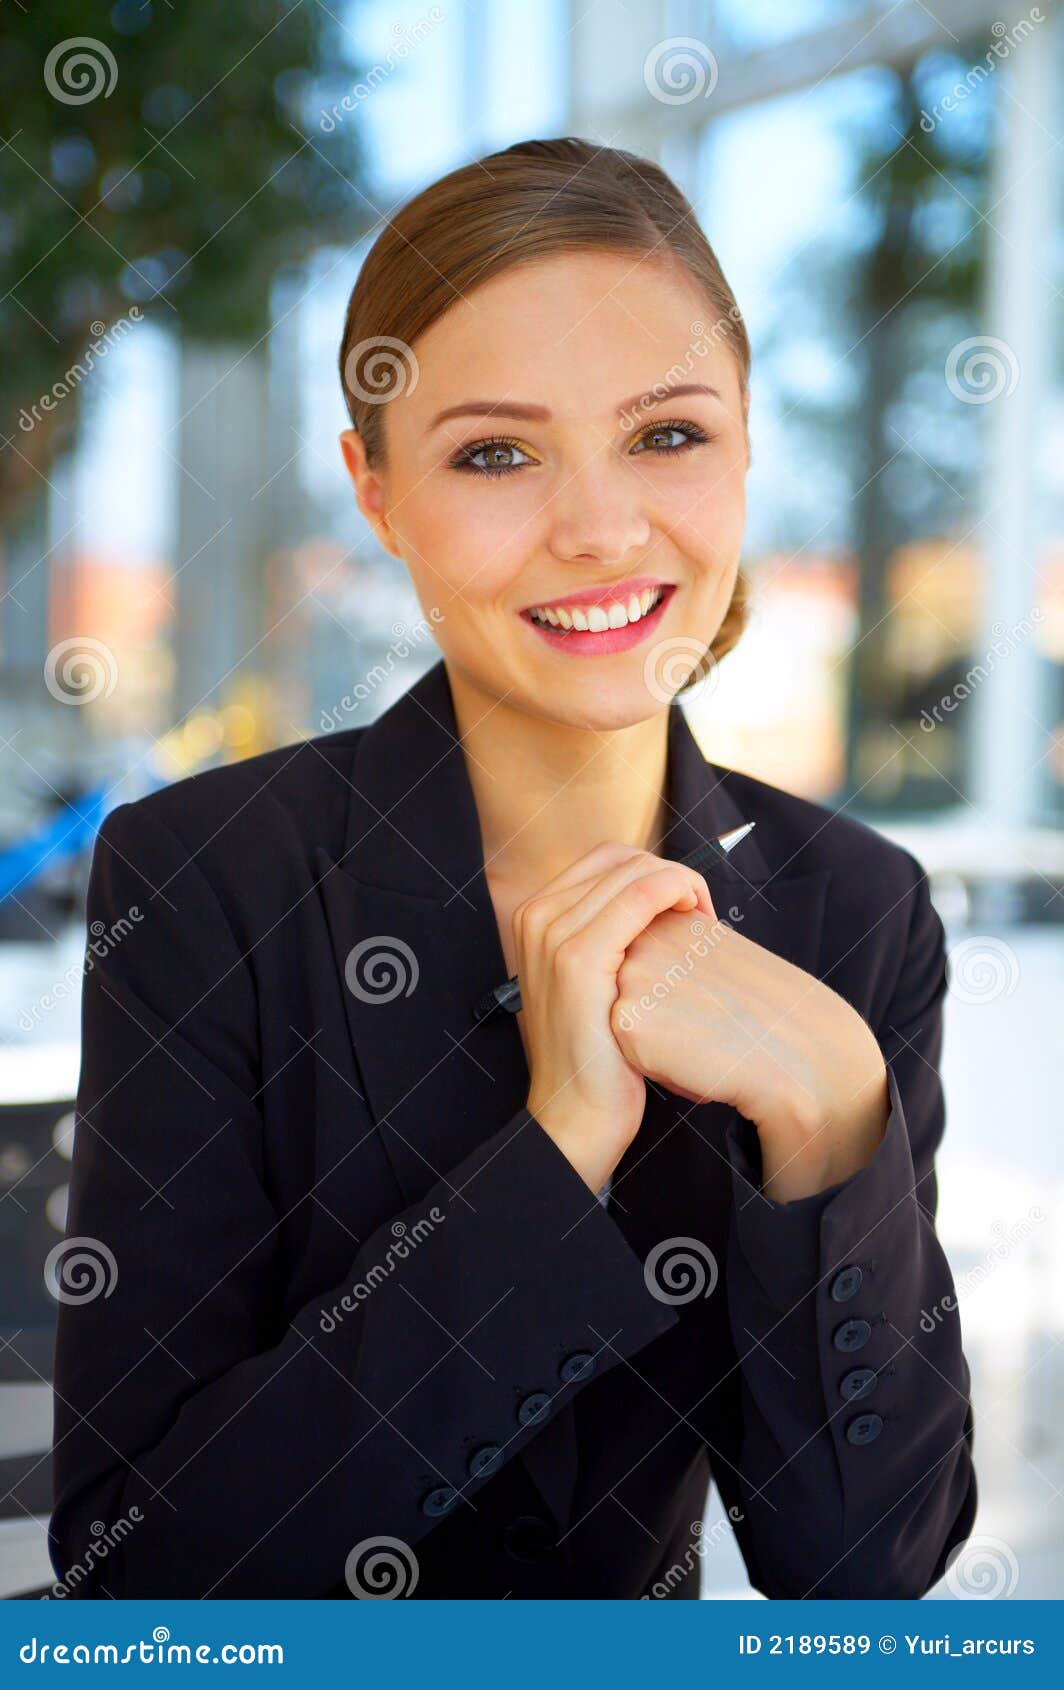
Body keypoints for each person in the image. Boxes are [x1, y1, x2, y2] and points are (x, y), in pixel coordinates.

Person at [49, 137, 976, 1600]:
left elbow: (863, 1579)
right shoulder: (207, 874)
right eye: (495, 452)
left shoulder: (848, 906)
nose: (602, 527)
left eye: (669, 434)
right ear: (377, 490)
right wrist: (552, 1152)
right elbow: (141, 1577)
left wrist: (828, 1112)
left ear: (746, 441)